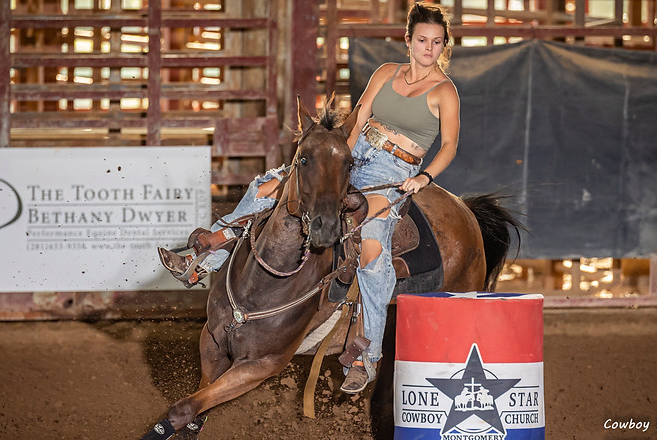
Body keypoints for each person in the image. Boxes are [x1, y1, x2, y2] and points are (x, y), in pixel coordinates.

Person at [158, 2, 459, 395]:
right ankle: (203, 259)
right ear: (408, 40)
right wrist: (340, 159)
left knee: (372, 250)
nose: (428, 48)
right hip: (355, 153)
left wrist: (424, 176)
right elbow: (358, 119)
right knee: (267, 188)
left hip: (393, 171)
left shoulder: (444, 91)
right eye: (422, 40)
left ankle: (366, 356)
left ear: (443, 45)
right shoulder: (386, 72)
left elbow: (449, 145)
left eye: (436, 42)